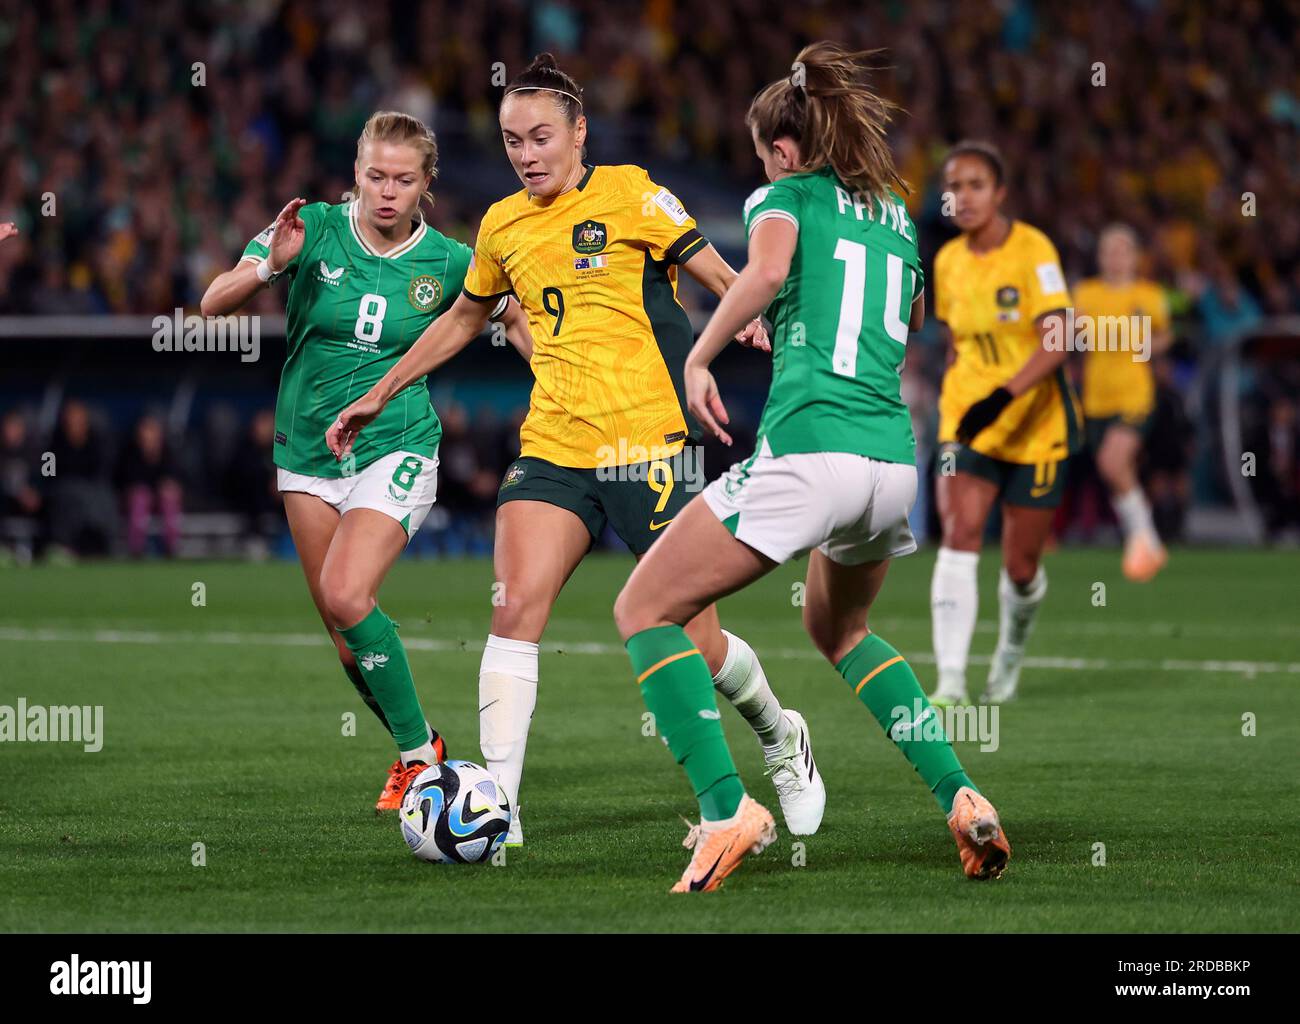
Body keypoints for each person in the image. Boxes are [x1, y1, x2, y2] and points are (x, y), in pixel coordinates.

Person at [328, 54, 825, 847]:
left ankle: (779, 733)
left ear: (579, 132)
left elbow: (712, 266)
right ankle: (498, 809)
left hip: (649, 444)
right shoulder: (502, 224)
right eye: (511, 141)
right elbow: (465, 317)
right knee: (514, 607)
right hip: (554, 443)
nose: (526, 155)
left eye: (541, 137)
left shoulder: (631, 192)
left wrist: (751, 314)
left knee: (696, 639)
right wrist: (382, 390)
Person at [613, 43, 1012, 892]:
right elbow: (910, 314)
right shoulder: (897, 214)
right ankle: (961, 794)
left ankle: (726, 811)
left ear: (785, 150)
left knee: (644, 608)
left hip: (810, 449)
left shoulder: (784, 197)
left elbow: (764, 270)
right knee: (841, 631)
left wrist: (700, 357)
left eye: (763, 153)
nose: (762, 167)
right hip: (890, 463)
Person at [201, 110, 534, 811]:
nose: (387, 191)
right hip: (306, 448)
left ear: (426, 184)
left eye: (403, 180)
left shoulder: (449, 261)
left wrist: (559, 380)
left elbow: (510, 315)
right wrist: (270, 263)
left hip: (397, 442)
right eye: (375, 176)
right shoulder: (312, 227)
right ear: (356, 173)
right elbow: (211, 302)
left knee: (349, 595)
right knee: (344, 634)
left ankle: (419, 762)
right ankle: (422, 744)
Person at [927, 140, 1081, 707]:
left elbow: (1059, 339)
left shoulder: (1033, 250)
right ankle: (950, 682)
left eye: (976, 185)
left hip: (1034, 424)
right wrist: (963, 401)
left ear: (1000, 193)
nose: (963, 197)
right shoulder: (947, 260)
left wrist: (1003, 396)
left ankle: (1010, 652)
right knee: (959, 531)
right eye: (954, 187)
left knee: (1020, 567)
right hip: (967, 422)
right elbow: (956, 344)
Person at [1073, 224, 1172, 580]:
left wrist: (1144, 342)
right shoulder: (1085, 293)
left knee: (1112, 462)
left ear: (1134, 257)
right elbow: (1074, 337)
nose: (1115, 258)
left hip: (1134, 394)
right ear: (1100, 257)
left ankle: (1142, 537)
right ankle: (1149, 543)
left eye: (1122, 251)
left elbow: (1163, 337)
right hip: (1096, 399)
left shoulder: (1149, 294)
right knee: (1111, 470)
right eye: (1108, 251)